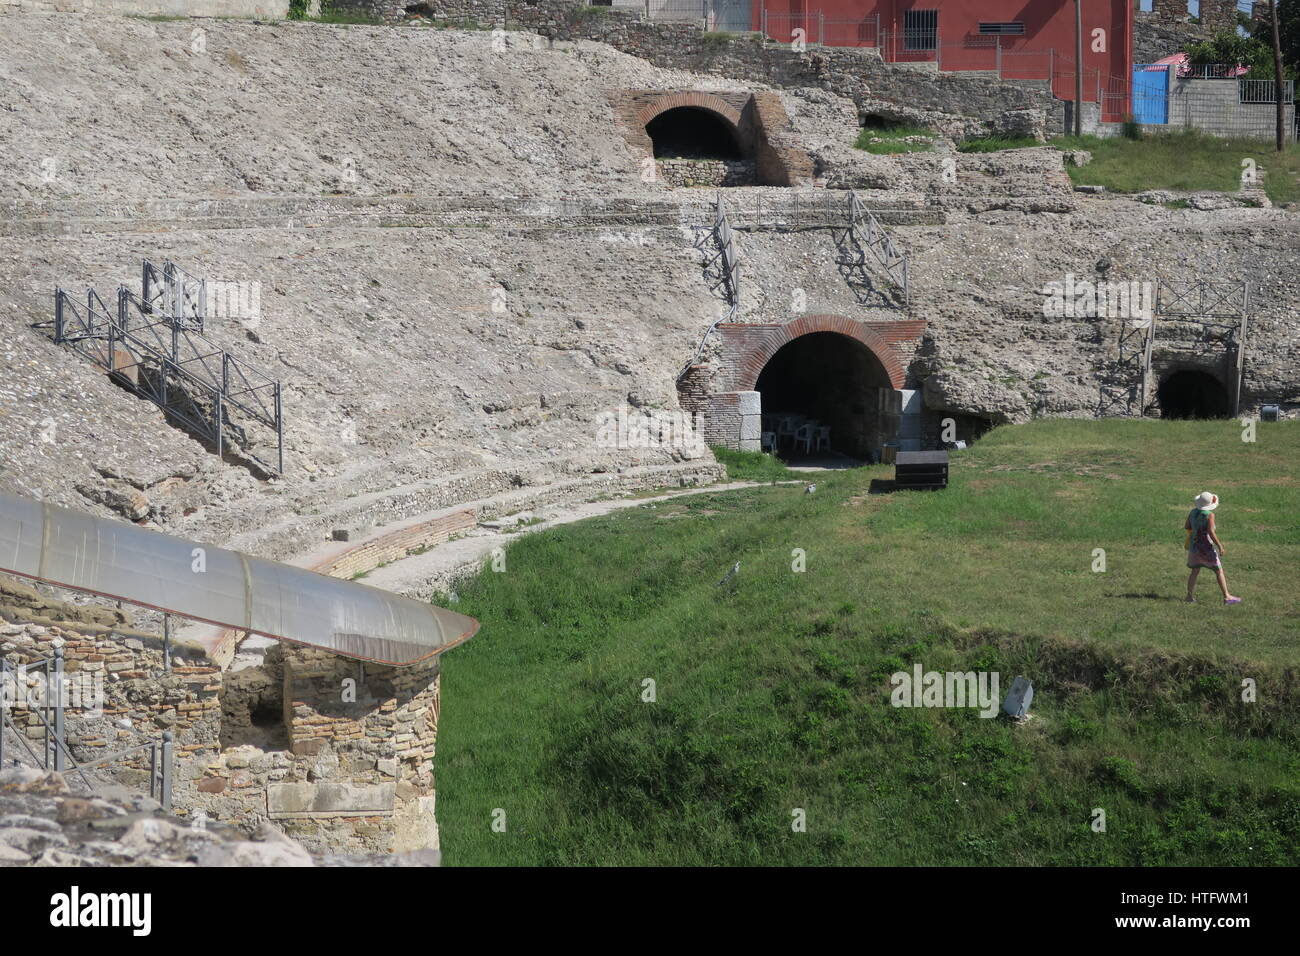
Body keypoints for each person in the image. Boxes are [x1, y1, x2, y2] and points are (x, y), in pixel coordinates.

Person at [1184, 492, 1240, 605]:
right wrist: (1220, 546)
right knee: (1218, 570)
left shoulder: (1193, 512)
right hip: (1206, 548)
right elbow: (1211, 532)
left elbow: (1187, 526)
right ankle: (1227, 597)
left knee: (1194, 571)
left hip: (1194, 546)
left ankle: (1189, 596)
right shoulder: (1209, 515)